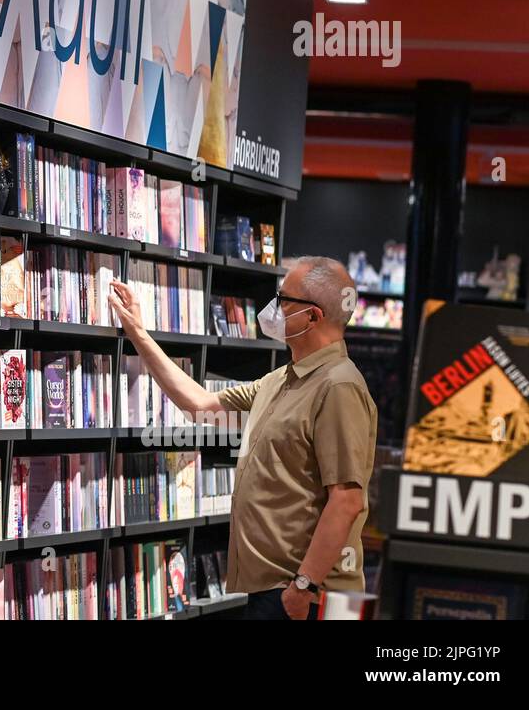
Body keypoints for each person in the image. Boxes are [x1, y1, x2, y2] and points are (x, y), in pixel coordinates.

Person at [108, 255, 376, 620]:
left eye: (284, 300)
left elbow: (346, 501)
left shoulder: (338, 386)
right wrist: (138, 332)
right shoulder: (283, 379)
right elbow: (199, 404)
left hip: (310, 597)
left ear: (312, 316)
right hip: (277, 589)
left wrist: (303, 586)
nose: (274, 309)